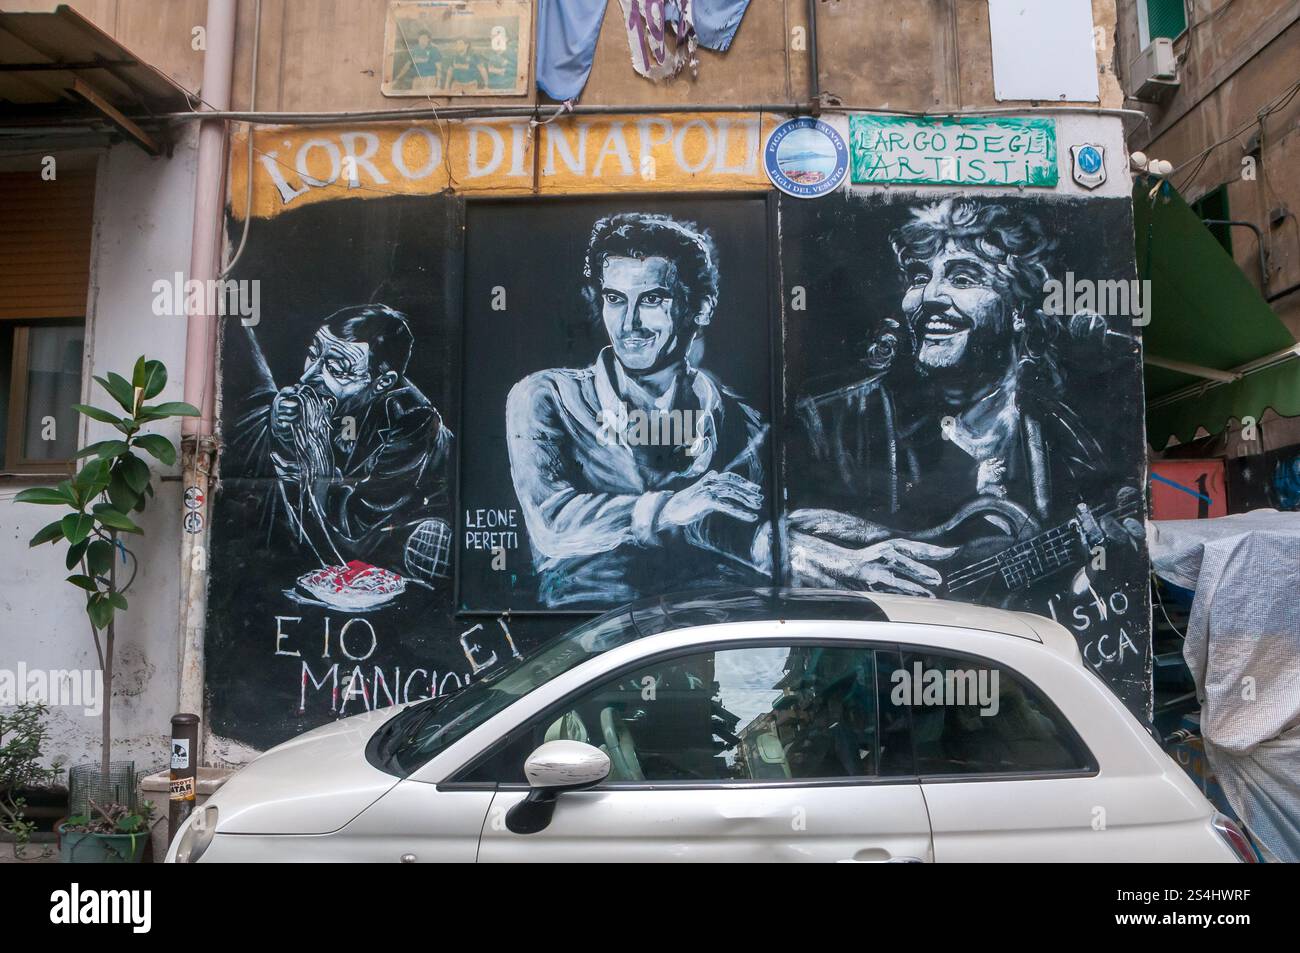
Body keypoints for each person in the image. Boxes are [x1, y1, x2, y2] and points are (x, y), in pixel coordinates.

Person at [789, 198, 1138, 596]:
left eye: (963, 278)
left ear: (1017, 308)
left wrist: (1102, 566)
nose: (930, 297)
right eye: (919, 277)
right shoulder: (834, 421)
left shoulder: (1062, 435)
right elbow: (758, 528)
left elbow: (1071, 586)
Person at [506, 213, 769, 607]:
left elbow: (747, 535)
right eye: (615, 299)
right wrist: (670, 507)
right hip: (589, 626)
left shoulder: (738, 421)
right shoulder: (546, 397)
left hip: (707, 626)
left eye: (651, 300)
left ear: (701, 308)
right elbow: (553, 525)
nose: (629, 323)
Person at [233, 305, 452, 575]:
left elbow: (359, 521)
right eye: (313, 354)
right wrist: (281, 427)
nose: (308, 376)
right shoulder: (334, 397)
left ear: (382, 383)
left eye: (336, 368)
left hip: (404, 549)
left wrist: (320, 469)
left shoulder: (414, 421)